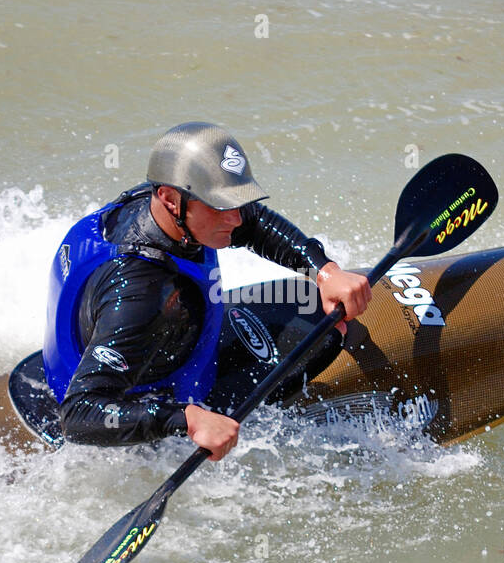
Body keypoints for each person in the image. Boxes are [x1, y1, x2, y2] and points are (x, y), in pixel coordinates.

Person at [42, 122, 371, 462]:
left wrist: (324, 270)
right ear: (170, 199)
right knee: (329, 333)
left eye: (236, 202)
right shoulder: (142, 298)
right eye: (220, 206)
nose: (236, 218)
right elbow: (78, 414)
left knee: (315, 311)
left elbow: (255, 224)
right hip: (139, 398)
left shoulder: (155, 205)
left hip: (127, 350)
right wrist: (186, 418)